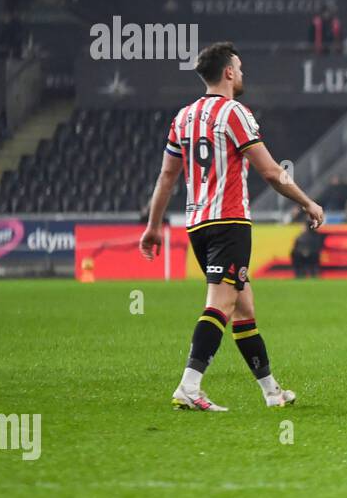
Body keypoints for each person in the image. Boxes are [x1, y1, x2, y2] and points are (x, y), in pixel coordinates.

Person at [139, 42, 325, 412]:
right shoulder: (234, 114)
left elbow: (166, 176)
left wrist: (153, 226)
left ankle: (272, 391)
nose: (242, 74)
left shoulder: (184, 117)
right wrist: (307, 202)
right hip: (229, 221)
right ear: (227, 72)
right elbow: (271, 171)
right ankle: (189, 385)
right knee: (221, 304)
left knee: (244, 308)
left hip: (197, 224)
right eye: (239, 68)